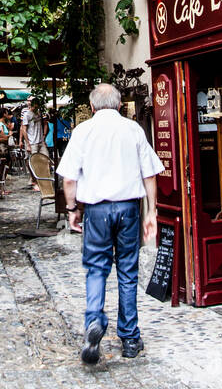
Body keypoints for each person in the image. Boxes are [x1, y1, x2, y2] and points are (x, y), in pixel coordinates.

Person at [57, 83, 163, 364]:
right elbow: (149, 174)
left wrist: (72, 209)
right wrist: (151, 212)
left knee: (96, 268)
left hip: (97, 210)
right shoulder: (133, 130)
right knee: (127, 271)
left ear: (92, 107)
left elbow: (69, 179)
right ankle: (129, 337)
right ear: (118, 106)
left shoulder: (83, 131)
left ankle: (94, 321)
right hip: (129, 209)